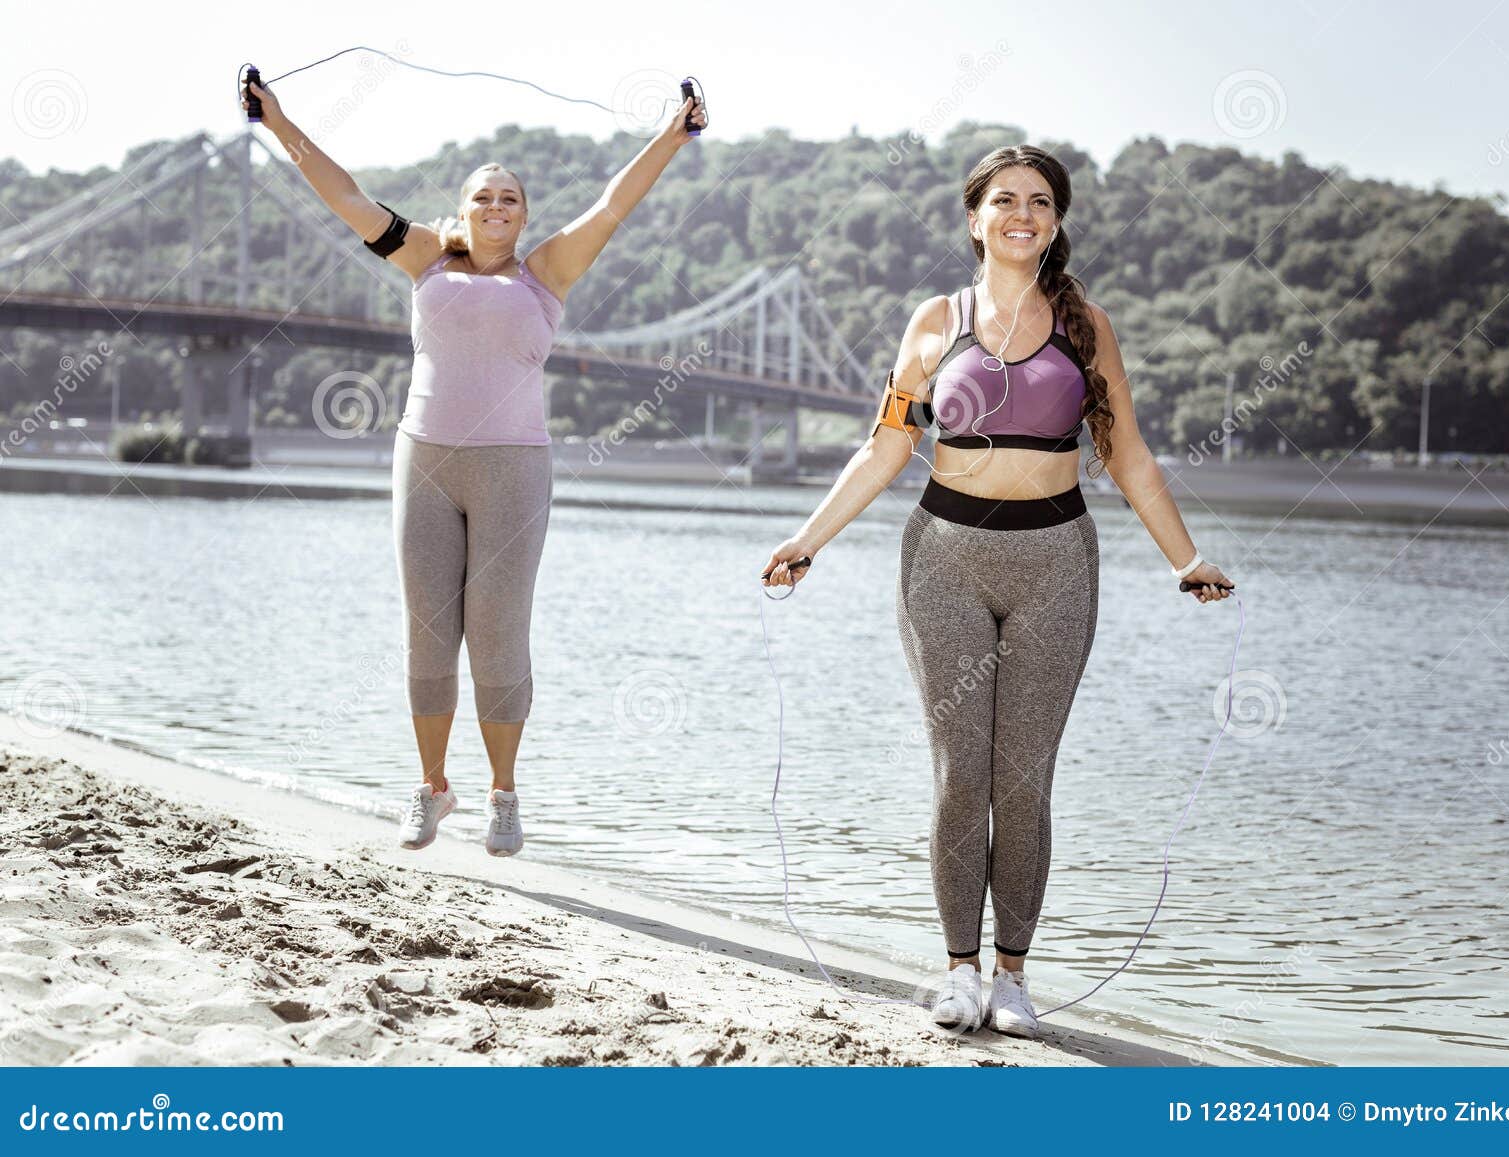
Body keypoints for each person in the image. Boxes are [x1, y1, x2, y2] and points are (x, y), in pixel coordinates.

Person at [761, 145, 1233, 1038]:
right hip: (943, 558)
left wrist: (1185, 557)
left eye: (1042, 201)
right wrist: (807, 539)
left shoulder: (1087, 325)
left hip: (1058, 561)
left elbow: (1126, 451)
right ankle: (959, 970)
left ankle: (1013, 975)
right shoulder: (936, 322)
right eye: (1005, 200)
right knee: (958, 774)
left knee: (1023, 778)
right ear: (973, 217)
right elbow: (887, 447)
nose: (1024, 213)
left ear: (1056, 221)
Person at [243, 75, 707, 858]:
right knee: (427, 632)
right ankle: (431, 787)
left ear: (526, 217)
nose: (496, 208)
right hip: (423, 460)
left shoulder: (546, 273)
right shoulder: (423, 257)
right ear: (462, 210)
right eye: (484, 197)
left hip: (514, 471)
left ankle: (502, 793)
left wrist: (673, 132)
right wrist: (276, 119)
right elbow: (345, 196)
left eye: (511, 200)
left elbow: (614, 205)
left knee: (497, 633)